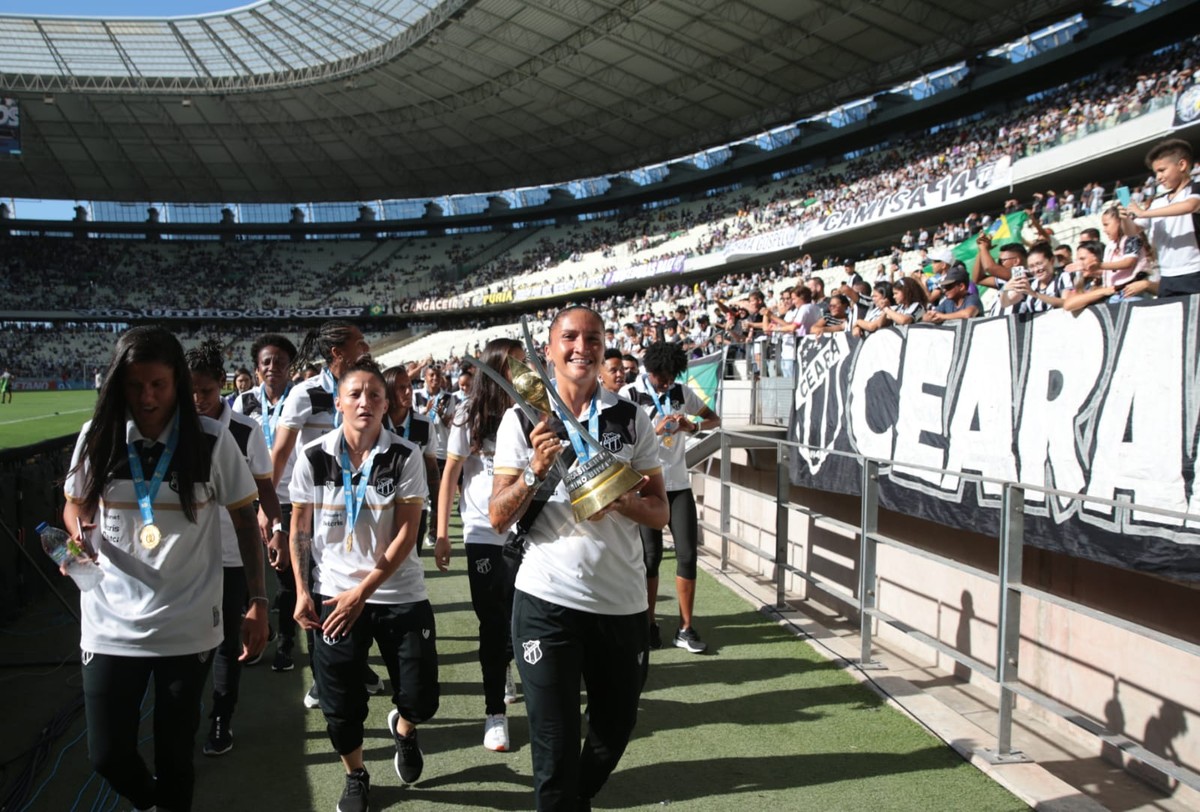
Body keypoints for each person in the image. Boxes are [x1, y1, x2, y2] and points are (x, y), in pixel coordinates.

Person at [62, 326, 267, 812]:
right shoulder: (98, 436)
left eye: (158, 384)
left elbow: (244, 519)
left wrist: (257, 600)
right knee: (107, 754)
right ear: (118, 385)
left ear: (177, 381)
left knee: (176, 754)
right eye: (135, 386)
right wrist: (77, 532)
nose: (147, 397)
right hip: (109, 622)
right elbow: (72, 505)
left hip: (187, 625)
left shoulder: (214, 441)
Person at [491, 306, 668, 811]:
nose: (581, 348)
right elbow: (499, 516)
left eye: (592, 338)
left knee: (615, 730)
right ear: (548, 350)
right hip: (547, 599)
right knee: (554, 746)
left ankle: (573, 797)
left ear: (604, 345)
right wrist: (534, 469)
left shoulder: (630, 418)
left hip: (622, 603)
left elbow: (659, 513)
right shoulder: (519, 419)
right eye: (569, 337)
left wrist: (623, 500)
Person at [289, 357, 439, 812]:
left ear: (386, 403)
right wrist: (301, 589)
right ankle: (356, 775)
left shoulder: (405, 455)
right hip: (333, 594)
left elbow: (407, 534)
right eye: (355, 394)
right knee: (339, 704)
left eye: (375, 395)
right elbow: (299, 528)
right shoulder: (313, 456)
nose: (365, 403)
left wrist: (363, 592)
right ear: (338, 401)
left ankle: (405, 728)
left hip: (399, 592)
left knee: (422, 698)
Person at [270, 320, 383, 709]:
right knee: (316, 586)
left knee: (359, 577)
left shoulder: (365, 390)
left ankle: (357, 659)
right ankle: (322, 674)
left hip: (360, 501)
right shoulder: (305, 394)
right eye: (359, 342)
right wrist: (269, 513)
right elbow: (281, 454)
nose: (366, 347)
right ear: (338, 353)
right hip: (312, 505)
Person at [187, 339, 284, 757]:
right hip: (184, 561)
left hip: (230, 557)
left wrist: (275, 526)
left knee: (227, 643)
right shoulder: (174, 431)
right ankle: (184, 717)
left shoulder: (245, 431)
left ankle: (221, 719)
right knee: (189, 647)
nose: (197, 400)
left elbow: (266, 490)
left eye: (205, 391)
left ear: (221, 386)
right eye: (189, 391)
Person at [435, 338, 525, 753]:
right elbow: (450, 475)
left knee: (525, 619)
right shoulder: (467, 415)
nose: (525, 373)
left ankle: (510, 666)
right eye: (517, 366)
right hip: (483, 532)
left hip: (529, 530)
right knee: (492, 622)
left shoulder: (532, 411)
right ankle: (495, 713)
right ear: (496, 370)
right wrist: (441, 532)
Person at [621, 341, 720, 653]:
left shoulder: (681, 393)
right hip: (645, 486)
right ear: (649, 370)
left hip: (678, 485)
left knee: (688, 555)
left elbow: (713, 420)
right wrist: (655, 427)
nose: (665, 383)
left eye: (669, 377)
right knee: (649, 558)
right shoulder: (630, 395)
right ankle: (649, 623)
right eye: (660, 377)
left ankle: (686, 628)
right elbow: (624, 440)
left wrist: (690, 426)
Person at [233, 332, 300, 672]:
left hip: (288, 499)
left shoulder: (299, 399)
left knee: (286, 575)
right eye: (266, 362)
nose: (273, 367)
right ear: (257, 369)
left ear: (291, 367)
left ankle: (286, 643)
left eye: (280, 362)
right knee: (247, 571)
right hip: (247, 500)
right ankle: (260, 634)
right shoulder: (242, 403)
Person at [1125, 138, 1200, 297]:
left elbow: (1190, 206)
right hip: (1167, 276)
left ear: (1182, 165)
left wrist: (1144, 213)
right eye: (1155, 172)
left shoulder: (1195, 188)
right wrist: (1125, 219)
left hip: (1195, 272)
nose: (1158, 177)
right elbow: (1133, 231)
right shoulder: (1157, 202)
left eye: (1162, 170)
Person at [383, 365, 440, 549]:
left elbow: (432, 470)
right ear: (388, 391)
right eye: (401, 387)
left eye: (409, 385)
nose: (409, 391)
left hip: (416, 504)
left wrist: (437, 512)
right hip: (381, 503)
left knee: (411, 559)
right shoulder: (376, 423)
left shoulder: (424, 424)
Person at [415, 365, 453, 549]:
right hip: (420, 451)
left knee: (438, 496)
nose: (434, 379)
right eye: (431, 376)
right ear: (425, 377)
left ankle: (433, 533)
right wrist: (425, 412)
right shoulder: (416, 395)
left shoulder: (448, 397)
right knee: (420, 495)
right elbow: (412, 420)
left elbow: (449, 423)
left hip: (441, 450)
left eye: (437, 376)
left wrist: (439, 412)